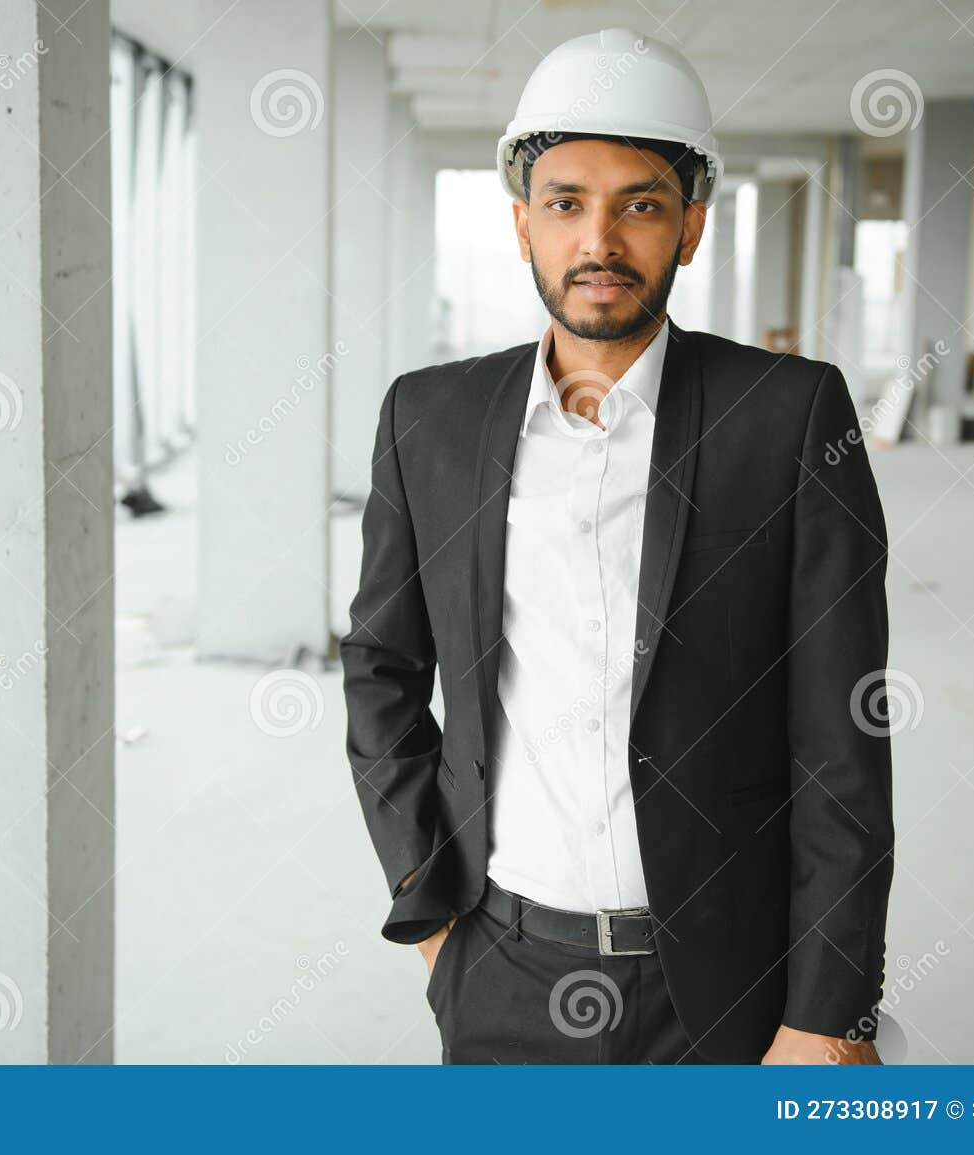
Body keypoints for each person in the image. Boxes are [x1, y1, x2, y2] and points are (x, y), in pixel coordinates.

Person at [342, 27, 894, 1064]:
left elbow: (842, 732)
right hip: (500, 967)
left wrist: (829, 1008)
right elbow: (380, 668)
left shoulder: (787, 416)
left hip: (728, 980)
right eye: (565, 203)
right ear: (522, 224)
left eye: (639, 204)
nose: (598, 239)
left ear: (691, 226)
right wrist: (430, 919)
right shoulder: (430, 419)